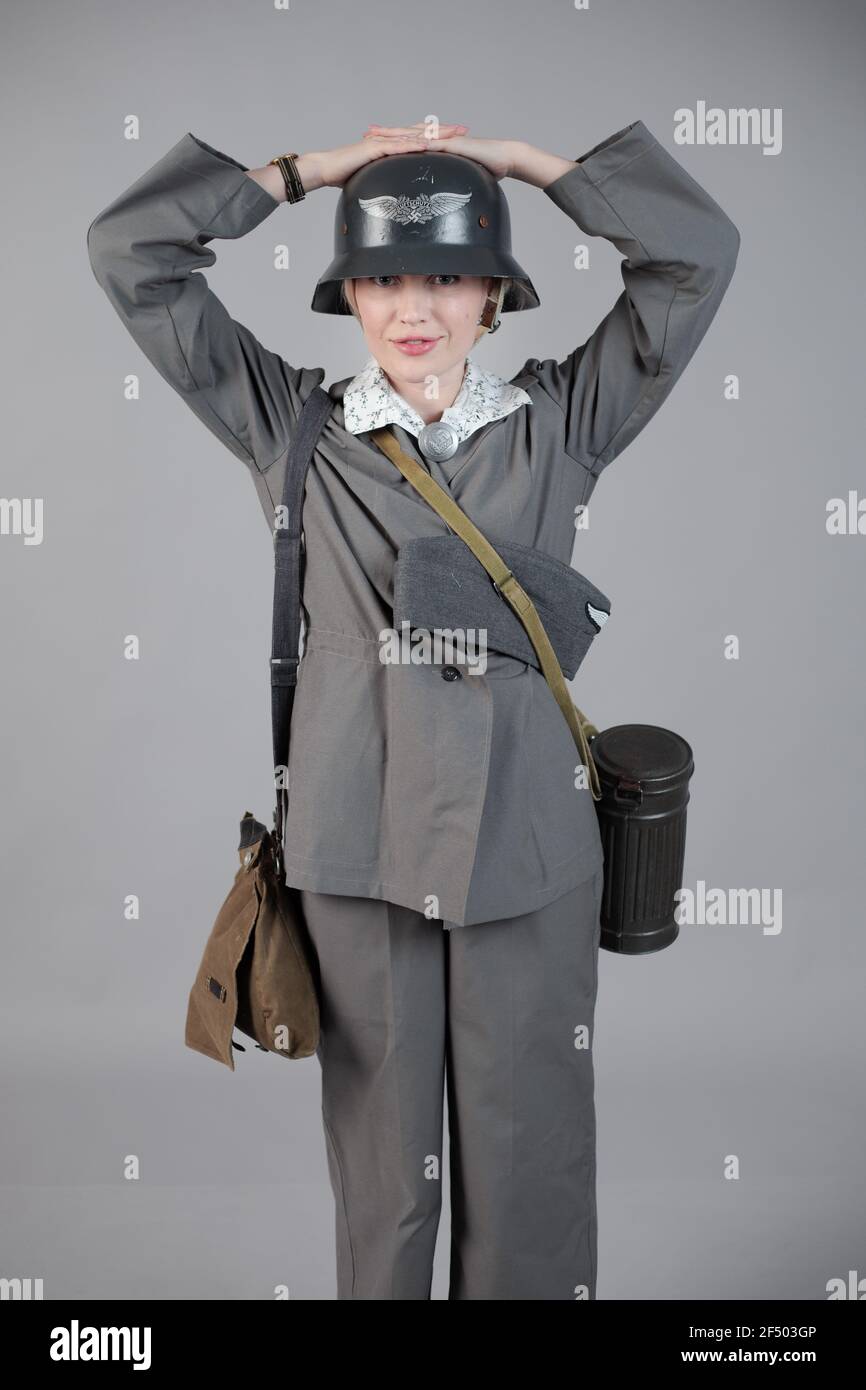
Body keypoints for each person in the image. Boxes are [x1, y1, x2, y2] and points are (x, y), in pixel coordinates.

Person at [87, 116, 740, 1300]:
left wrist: (535, 168)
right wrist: (304, 175)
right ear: (348, 297)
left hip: (527, 848)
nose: (413, 304)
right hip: (359, 848)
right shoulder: (295, 430)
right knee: (387, 1181)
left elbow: (693, 253)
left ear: (492, 293)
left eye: (445, 271)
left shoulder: (557, 427)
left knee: (527, 1164)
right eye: (382, 273)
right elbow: (131, 250)